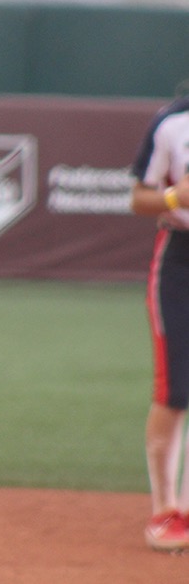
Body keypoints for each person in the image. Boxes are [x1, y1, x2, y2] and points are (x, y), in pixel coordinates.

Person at [131, 84, 189, 552]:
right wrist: (174, 198)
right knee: (175, 391)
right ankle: (166, 509)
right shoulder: (172, 123)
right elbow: (139, 198)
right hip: (181, 263)